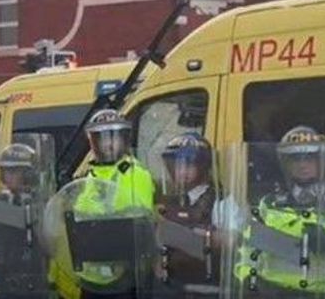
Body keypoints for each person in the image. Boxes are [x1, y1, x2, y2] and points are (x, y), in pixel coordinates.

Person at [234, 126, 325, 297]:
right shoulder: (269, 204)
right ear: (285, 163)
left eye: (310, 158)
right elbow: (248, 251)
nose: (302, 164)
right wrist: (248, 279)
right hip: (271, 294)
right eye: (295, 159)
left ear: (322, 161)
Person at [73, 109, 155, 299]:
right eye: (101, 138)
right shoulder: (87, 178)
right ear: (93, 141)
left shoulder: (137, 174)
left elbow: (140, 225)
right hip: (90, 277)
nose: (109, 144)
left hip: (124, 276)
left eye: (114, 137)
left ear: (124, 139)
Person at [0, 143, 51, 298]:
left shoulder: (44, 203)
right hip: (3, 282)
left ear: (30, 173)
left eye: (14, 171)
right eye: (6, 171)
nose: (8, 176)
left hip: (35, 282)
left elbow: (51, 245)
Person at [155, 132, 218, 297]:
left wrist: (198, 235)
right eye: (177, 166)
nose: (181, 172)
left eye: (188, 165)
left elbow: (233, 242)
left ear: (203, 166)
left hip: (206, 287)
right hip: (173, 285)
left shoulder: (222, 201)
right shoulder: (173, 201)